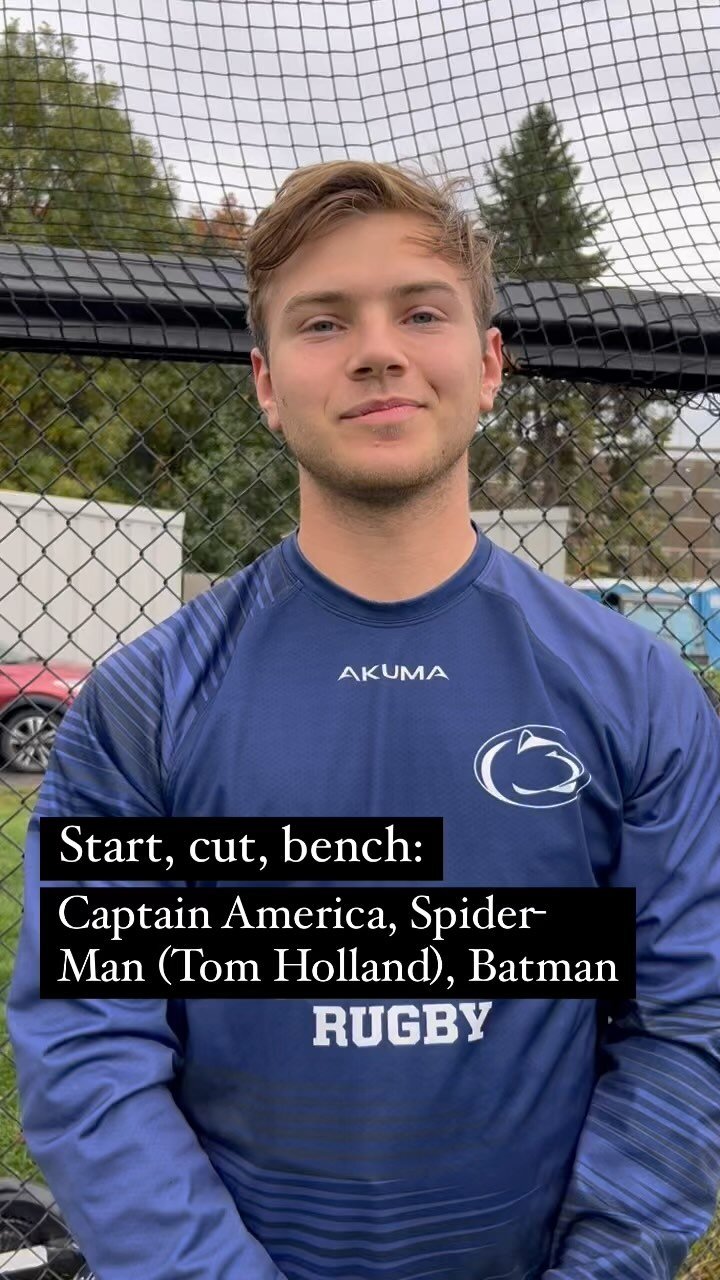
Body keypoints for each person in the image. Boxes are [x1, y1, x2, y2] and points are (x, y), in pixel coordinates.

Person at [7, 158, 720, 1280]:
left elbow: (685, 1025)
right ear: (265, 381)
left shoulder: (633, 690)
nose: (378, 349)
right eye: (323, 320)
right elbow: (92, 1046)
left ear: (488, 365)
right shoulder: (149, 700)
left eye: (421, 310)